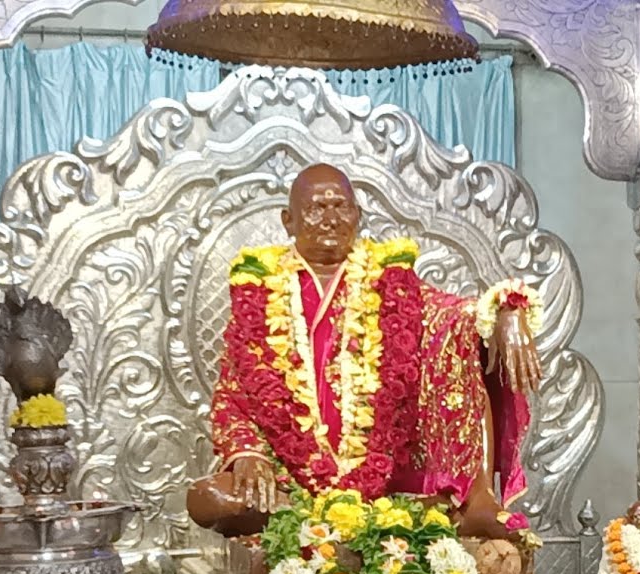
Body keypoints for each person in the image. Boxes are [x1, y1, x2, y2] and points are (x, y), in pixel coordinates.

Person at [187, 163, 542, 538]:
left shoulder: (390, 279)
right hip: (287, 477)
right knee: (209, 498)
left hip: (382, 477)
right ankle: (319, 521)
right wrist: (247, 454)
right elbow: (233, 393)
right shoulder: (258, 290)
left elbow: (452, 316)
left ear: (357, 215)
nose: (330, 218)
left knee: (456, 336)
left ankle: (476, 499)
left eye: (341, 206)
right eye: (316, 208)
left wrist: (505, 310)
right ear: (288, 220)